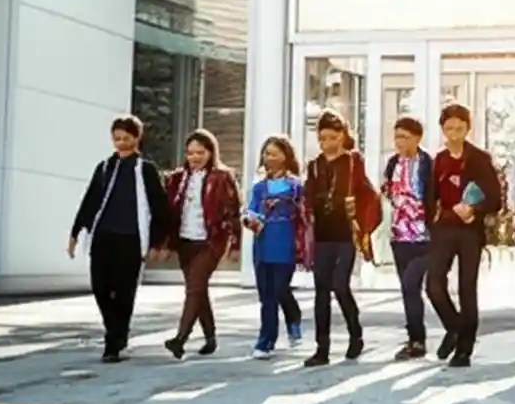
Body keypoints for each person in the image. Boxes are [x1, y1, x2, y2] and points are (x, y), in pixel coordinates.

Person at [68, 115, 169, 363]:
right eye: (117, 138)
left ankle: (115, 343)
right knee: (100, 288)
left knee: (124, 292)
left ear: (137, 138)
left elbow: (160, 207)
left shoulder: (145, 169)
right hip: (103, 236)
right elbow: (90, 201)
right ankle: (114, 333)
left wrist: (158, 243)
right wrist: (75, 233)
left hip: (131, 239)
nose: (121, 143)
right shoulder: (104, 167)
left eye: (126, 138)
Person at [300, 109, 381, 368]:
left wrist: (360, 217)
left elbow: (369, 194)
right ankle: (321, 348)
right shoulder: (314, 165)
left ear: (343, 136)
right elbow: (307, 196)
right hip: (322, 234)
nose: (328, 143)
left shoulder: (353, 161)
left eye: (333, 137)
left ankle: (355, 334)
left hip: (346, 233)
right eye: (323, 138)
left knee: (340, 285)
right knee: (321, 291)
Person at [427, 103, 503, 368]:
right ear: (442, 130)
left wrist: (475, 209)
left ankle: (465, 348)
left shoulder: (479, 158)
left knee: (467, 287)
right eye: (449, 129)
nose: (454, 134)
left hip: (470, 229)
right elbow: (430, 197)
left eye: (459, 128)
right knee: (433, 284)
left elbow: (495, 197)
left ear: (468, 128)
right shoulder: (438, 161)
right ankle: (454, 326)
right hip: (444, 228)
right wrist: (434, 218)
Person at [162, 129, 243, 360]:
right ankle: (210, 337)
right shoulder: (177, 179)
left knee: (195, 288)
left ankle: (180, 339)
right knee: (198, 290)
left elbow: (234, 212)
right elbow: (169, 213)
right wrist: (165, 243)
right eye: (190, 153)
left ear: (210, 152)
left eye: (200, 152)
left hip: (211, 241)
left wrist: (235, 244)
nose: (195, 157)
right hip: (185, 241)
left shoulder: (222, 177)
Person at [245, 135, 306, 359]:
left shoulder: (295, 187)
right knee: (266, 296)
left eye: (273, 154)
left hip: (285, 244)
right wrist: (249, 221)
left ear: (285, 156)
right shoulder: (259, 188)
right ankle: (265, 341)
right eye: (266, 154)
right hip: (262, 245)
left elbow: (304, 215)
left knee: (281, 289)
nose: (269, 158)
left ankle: (293, 318)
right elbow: (251, 211)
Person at [382, 116, 435, 361]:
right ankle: (415, 338)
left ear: (417, 138)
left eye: (404, 137)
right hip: (399, 234)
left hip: (423, 235)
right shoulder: (393, 162)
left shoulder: (427, 164)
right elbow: (388, 190)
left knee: (411, 283)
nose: (400, 142)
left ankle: (419, 338)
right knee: (408, 289)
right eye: (397, 137)